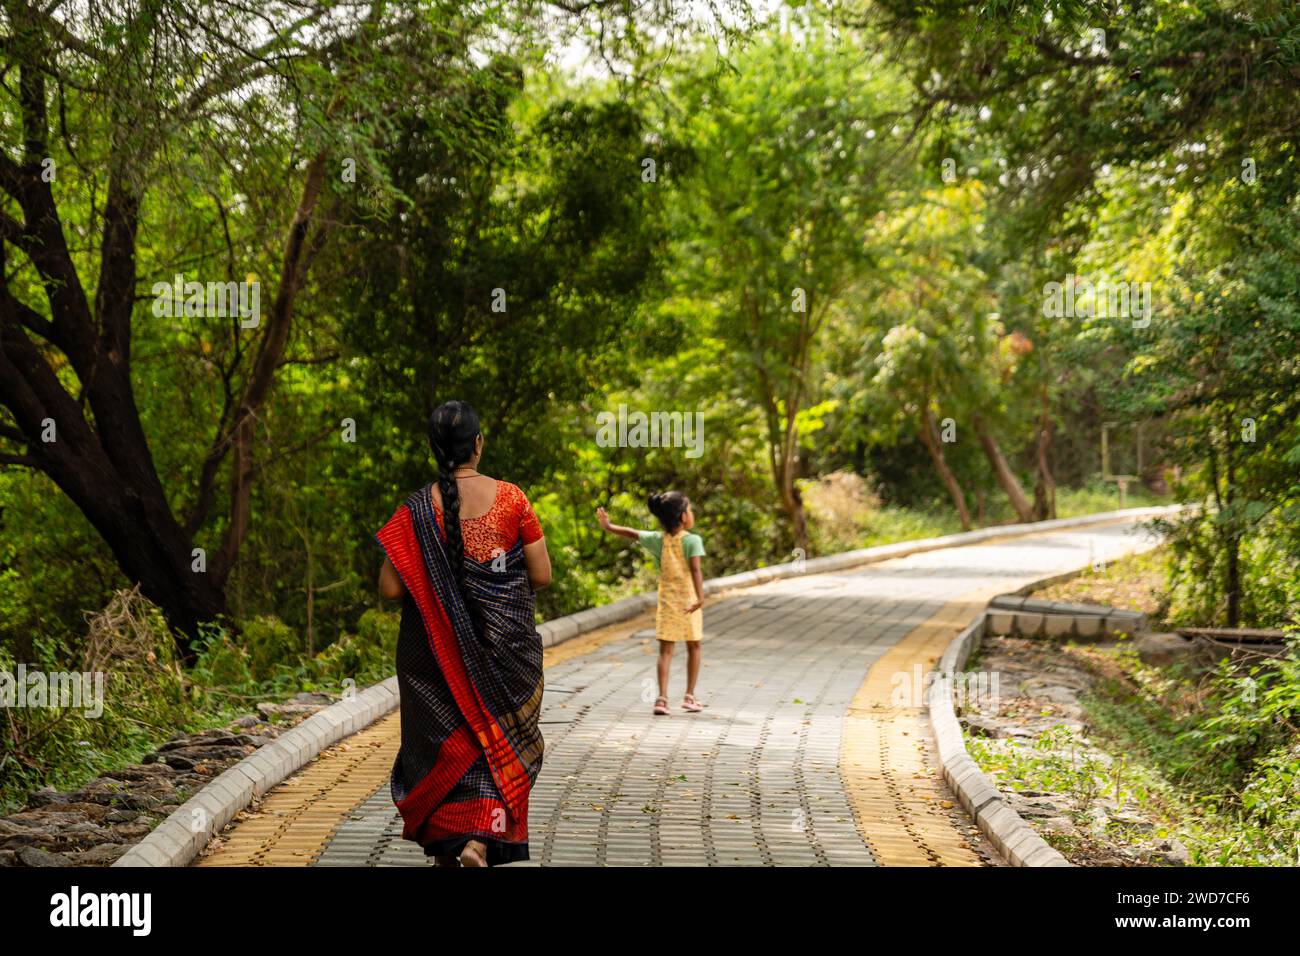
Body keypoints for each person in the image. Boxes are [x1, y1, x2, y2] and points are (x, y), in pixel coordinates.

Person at [375, 400, 551, 867]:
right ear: (478, 444)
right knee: (494, 739)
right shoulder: (512, 499)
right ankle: (480, 837)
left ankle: (455, 843)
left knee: (450, 742)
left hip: (435, 656)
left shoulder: (415, 509)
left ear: (433, 448)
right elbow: (541, 574)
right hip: (505, 651)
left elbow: (390, 587)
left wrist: (437, 587)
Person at [596, 492, 705, 715]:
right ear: (683, 517)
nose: (692, 514)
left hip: (667, 602)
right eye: (690, 509)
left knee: (665, 651)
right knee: (694, 646)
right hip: (689, 602)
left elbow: (631, 533)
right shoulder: (692, 540)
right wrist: (701, 597)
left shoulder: (658, 540)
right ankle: (689, 696)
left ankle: (662, 699)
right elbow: (695, 570)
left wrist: (609, 526)